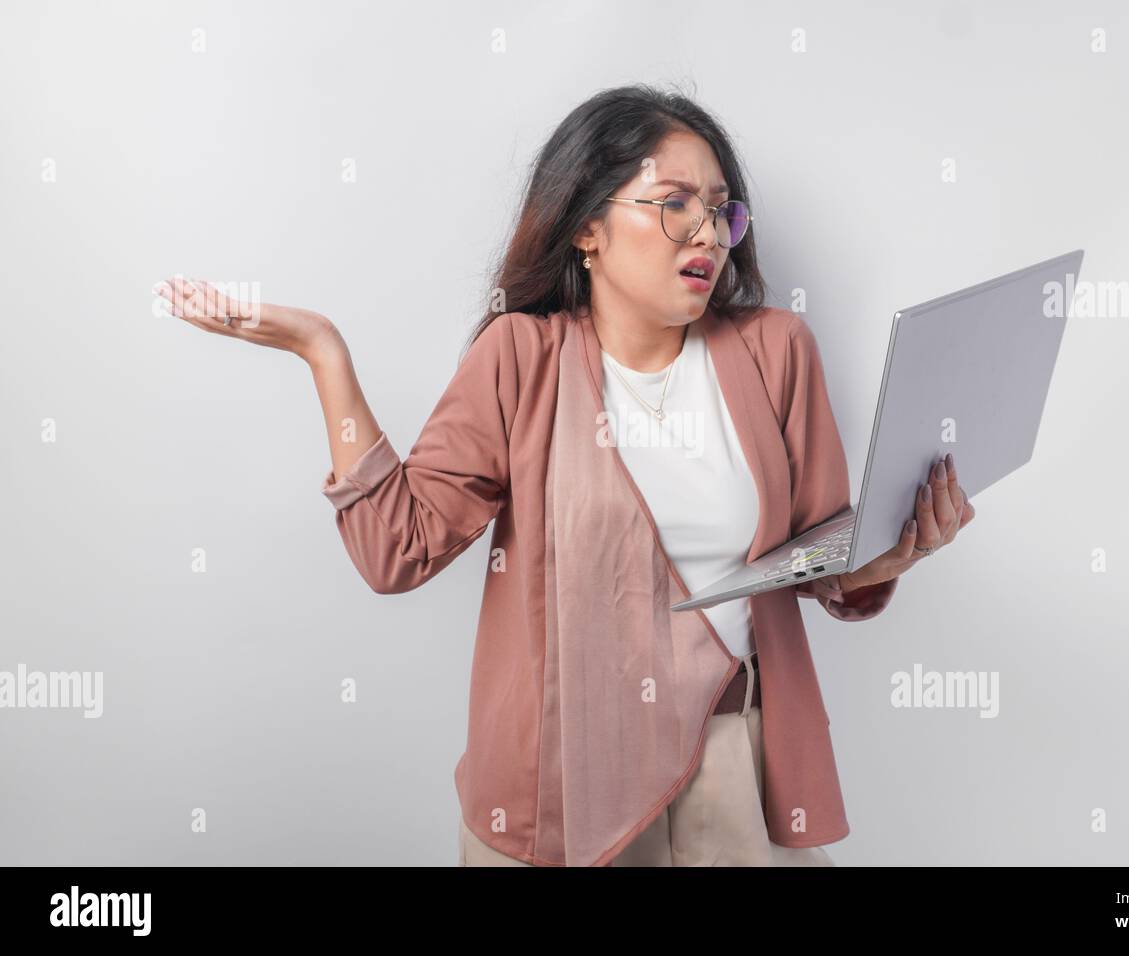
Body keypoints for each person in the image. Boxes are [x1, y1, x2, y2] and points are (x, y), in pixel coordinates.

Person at [152, 83, 975, 867]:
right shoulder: (520, 358)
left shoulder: (775, 350)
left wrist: (893, 554)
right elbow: (392, 550)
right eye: (673, 203)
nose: (709, 233)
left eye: (721, 208)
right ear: (588, 228)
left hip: (730, 765)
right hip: (558, 781)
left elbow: (815, 558)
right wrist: (320, 349)